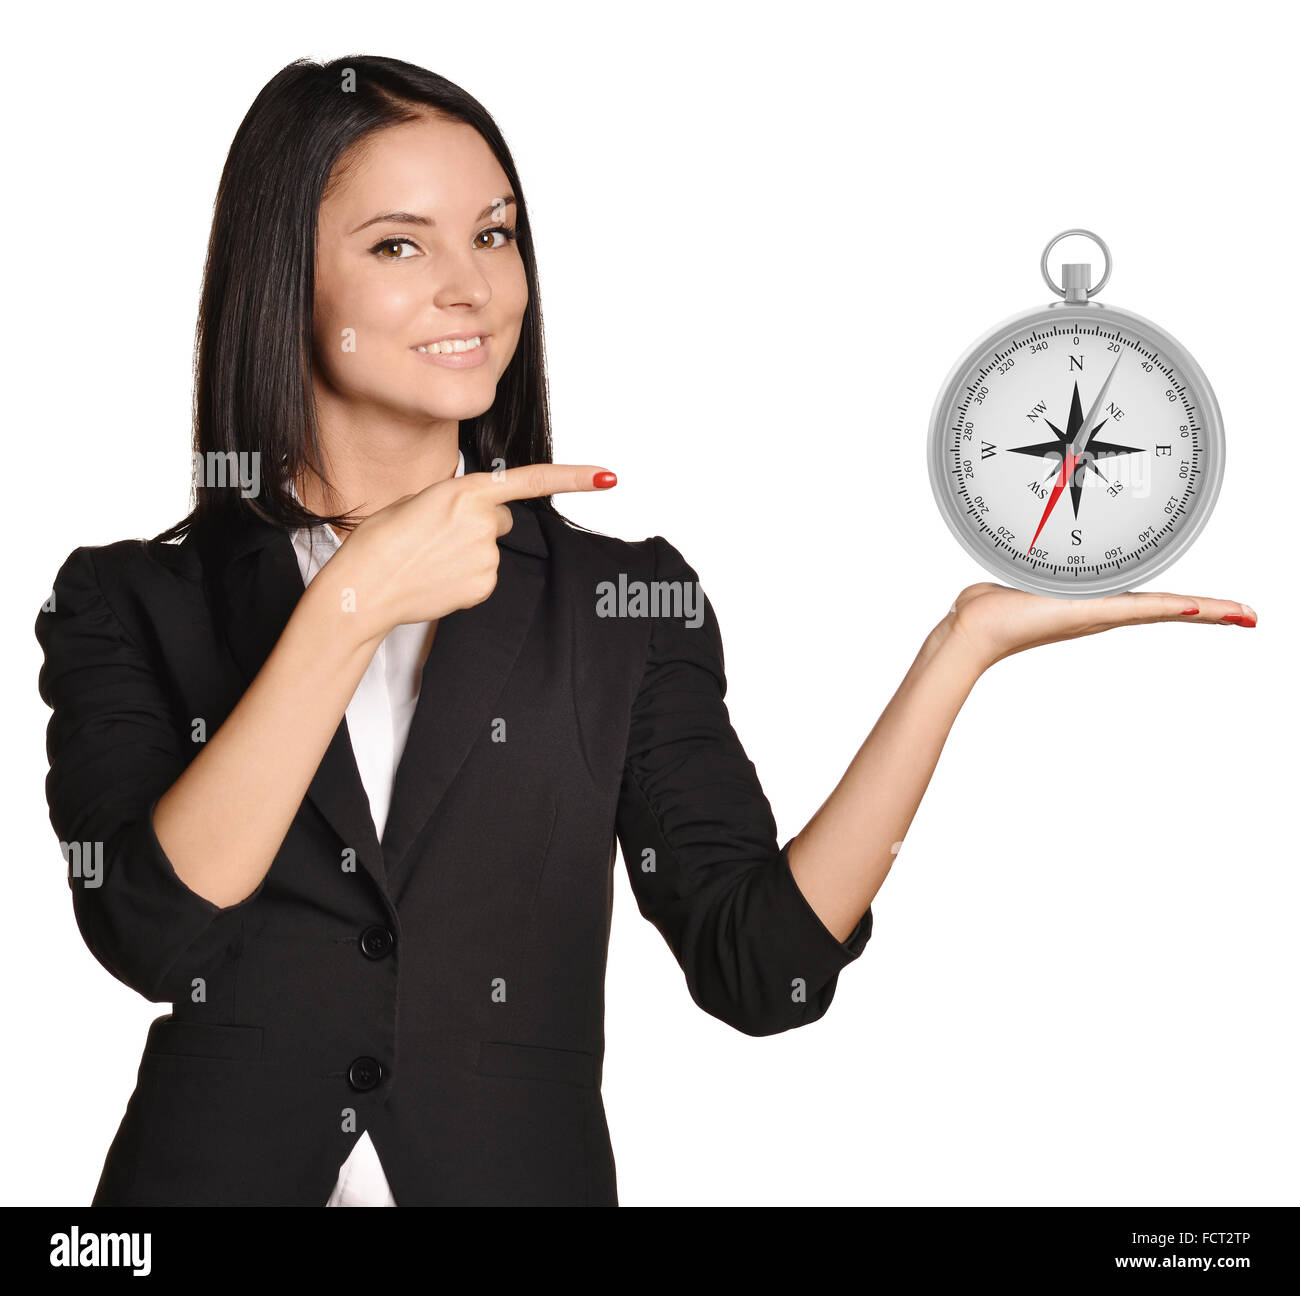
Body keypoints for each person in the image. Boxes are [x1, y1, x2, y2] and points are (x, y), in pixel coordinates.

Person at [34, 54, 1256, 1208]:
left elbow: (758, 970)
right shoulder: (127, 600)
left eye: (495, 233)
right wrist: (349, 607)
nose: (472, 286)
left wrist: (958, 655)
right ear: (281, 277)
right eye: (399, 243)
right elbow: (154, 930)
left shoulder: (625, 603)